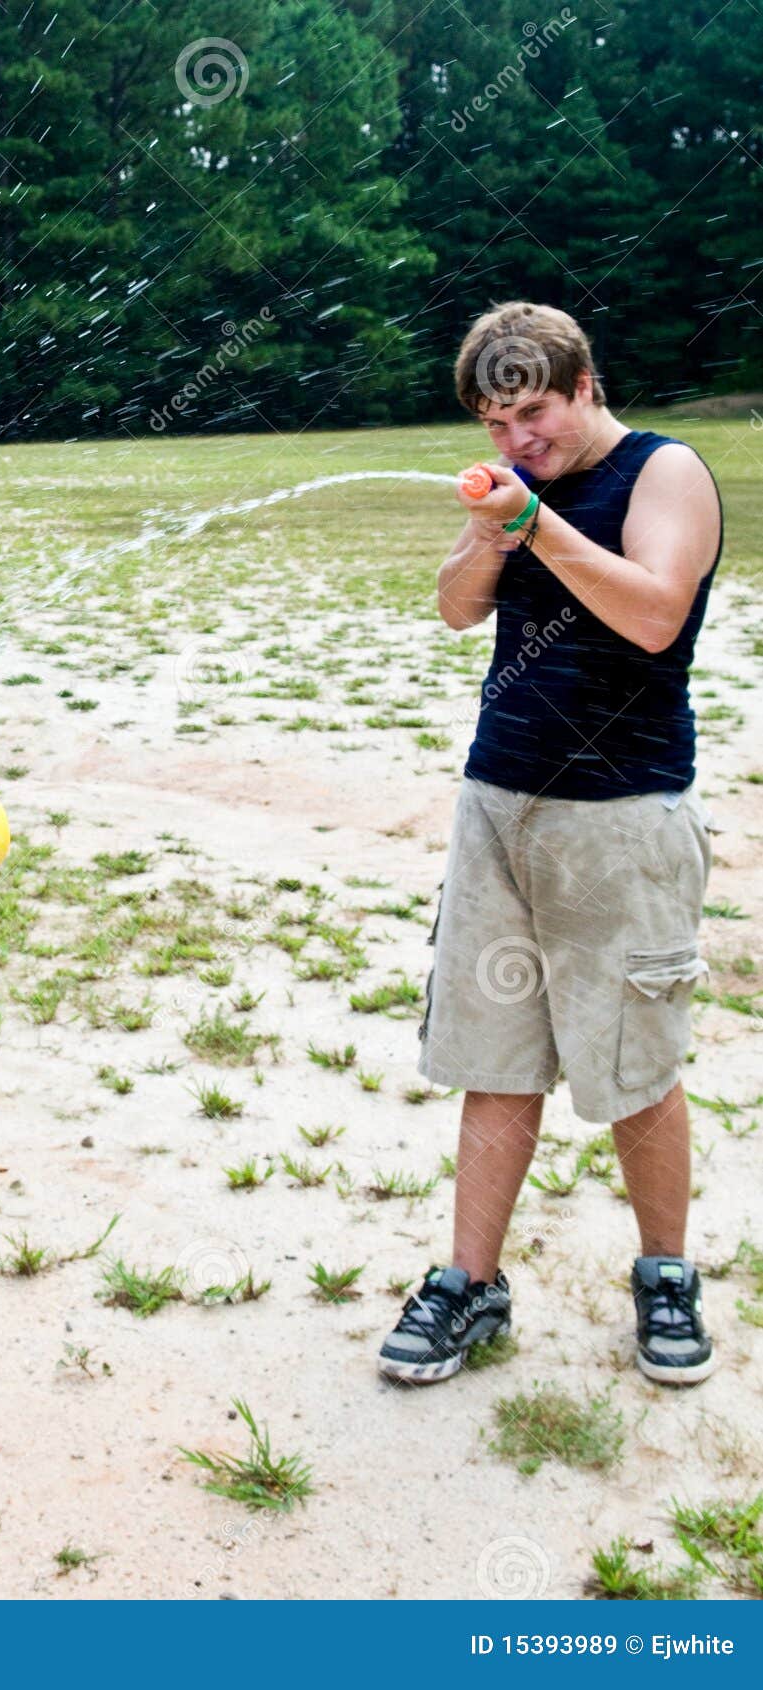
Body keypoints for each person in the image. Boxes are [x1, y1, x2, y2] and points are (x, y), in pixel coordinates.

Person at [378, 302, 723, 1388]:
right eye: (494, 424)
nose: (517, 443)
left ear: (584, 386)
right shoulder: (518, 492)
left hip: (623, 815)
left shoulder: (665, 474)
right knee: (493, 1057)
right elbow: (451, 610)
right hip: (500, 802)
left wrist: (537, 525)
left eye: (533, 413)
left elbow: (657, 613)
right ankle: (469, 1284)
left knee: (635, 1069)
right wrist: (487, 539)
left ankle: (665, 1273)